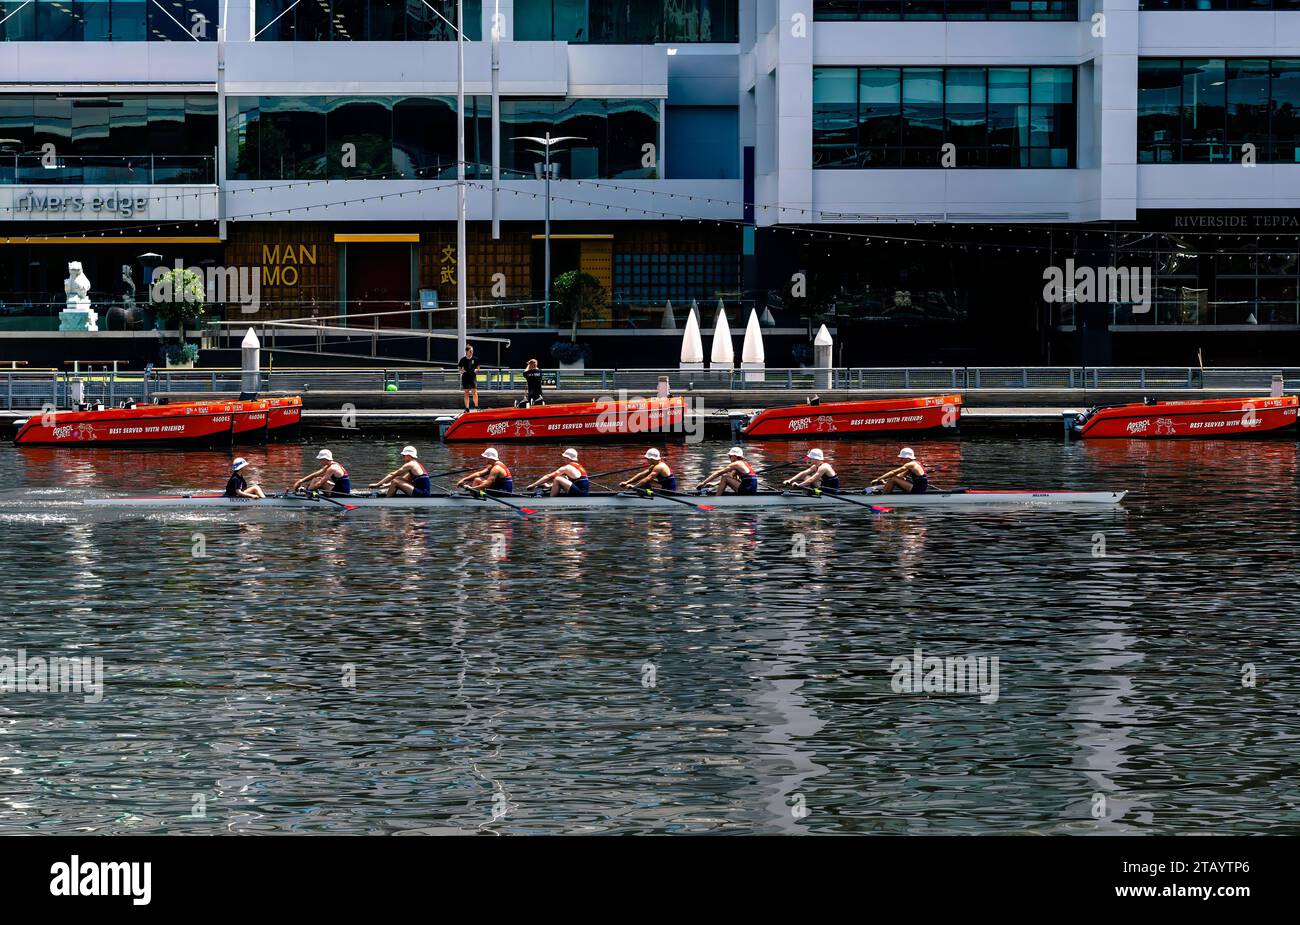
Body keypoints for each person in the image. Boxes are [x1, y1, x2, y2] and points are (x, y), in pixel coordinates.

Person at [525, 448, 590, 497]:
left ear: (568, 458)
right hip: (584, 493)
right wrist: (549, 485)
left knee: (557, 478)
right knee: (564, 477)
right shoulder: (580, 467)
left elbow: (549, 476)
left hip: (580, 494)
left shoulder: (566, 468)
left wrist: (533, 485)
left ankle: (552, 500)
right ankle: (550, 487)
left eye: (564, 458)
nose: (563, 459)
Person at [458, 345, 480, 411]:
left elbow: (478, 368)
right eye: (470, 351)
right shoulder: (463, 359)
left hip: (472, 377)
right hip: (465, 377)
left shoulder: (475, 359)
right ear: (467, 352)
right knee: (466, 392)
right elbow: (459, 368)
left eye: (472, 351)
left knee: (474, 392)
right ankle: (467, 408)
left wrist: (476, 370)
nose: (472, 352)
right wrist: (462, 371)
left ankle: (476, 406)